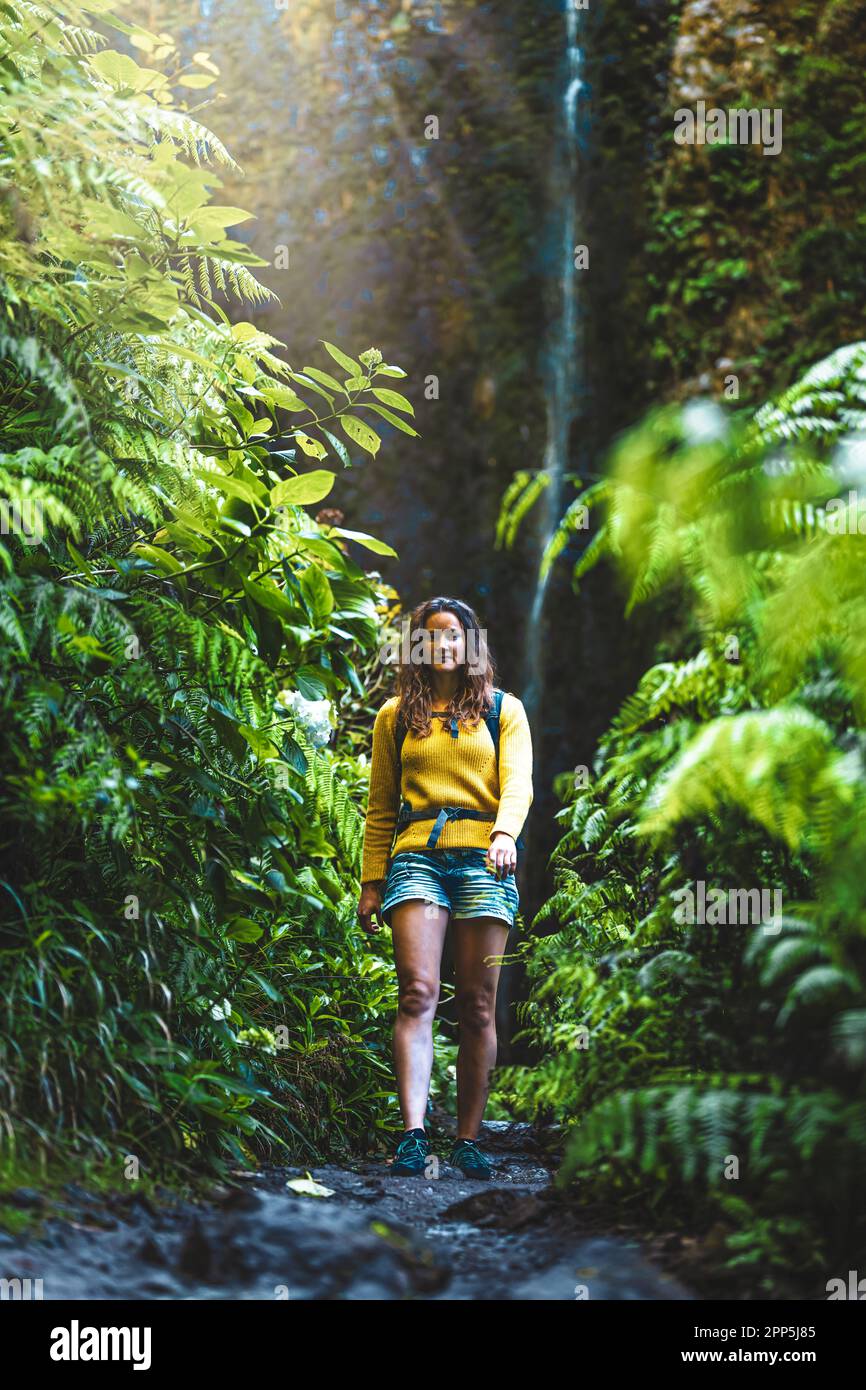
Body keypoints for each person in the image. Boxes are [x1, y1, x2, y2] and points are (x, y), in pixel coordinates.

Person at [357, 596, 533, 1178]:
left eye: (454, 636)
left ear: (471, 644)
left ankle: (466, 1138)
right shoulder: (393, 717)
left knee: (479, 1006)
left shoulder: (504, 711)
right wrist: (371, 883)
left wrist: (505, 834)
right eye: (432, 637)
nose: (444, 646)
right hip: (416, 860)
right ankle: (412, 1134)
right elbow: (380, 807)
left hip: (486, 858)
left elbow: (519, 786)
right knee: (417, 993)